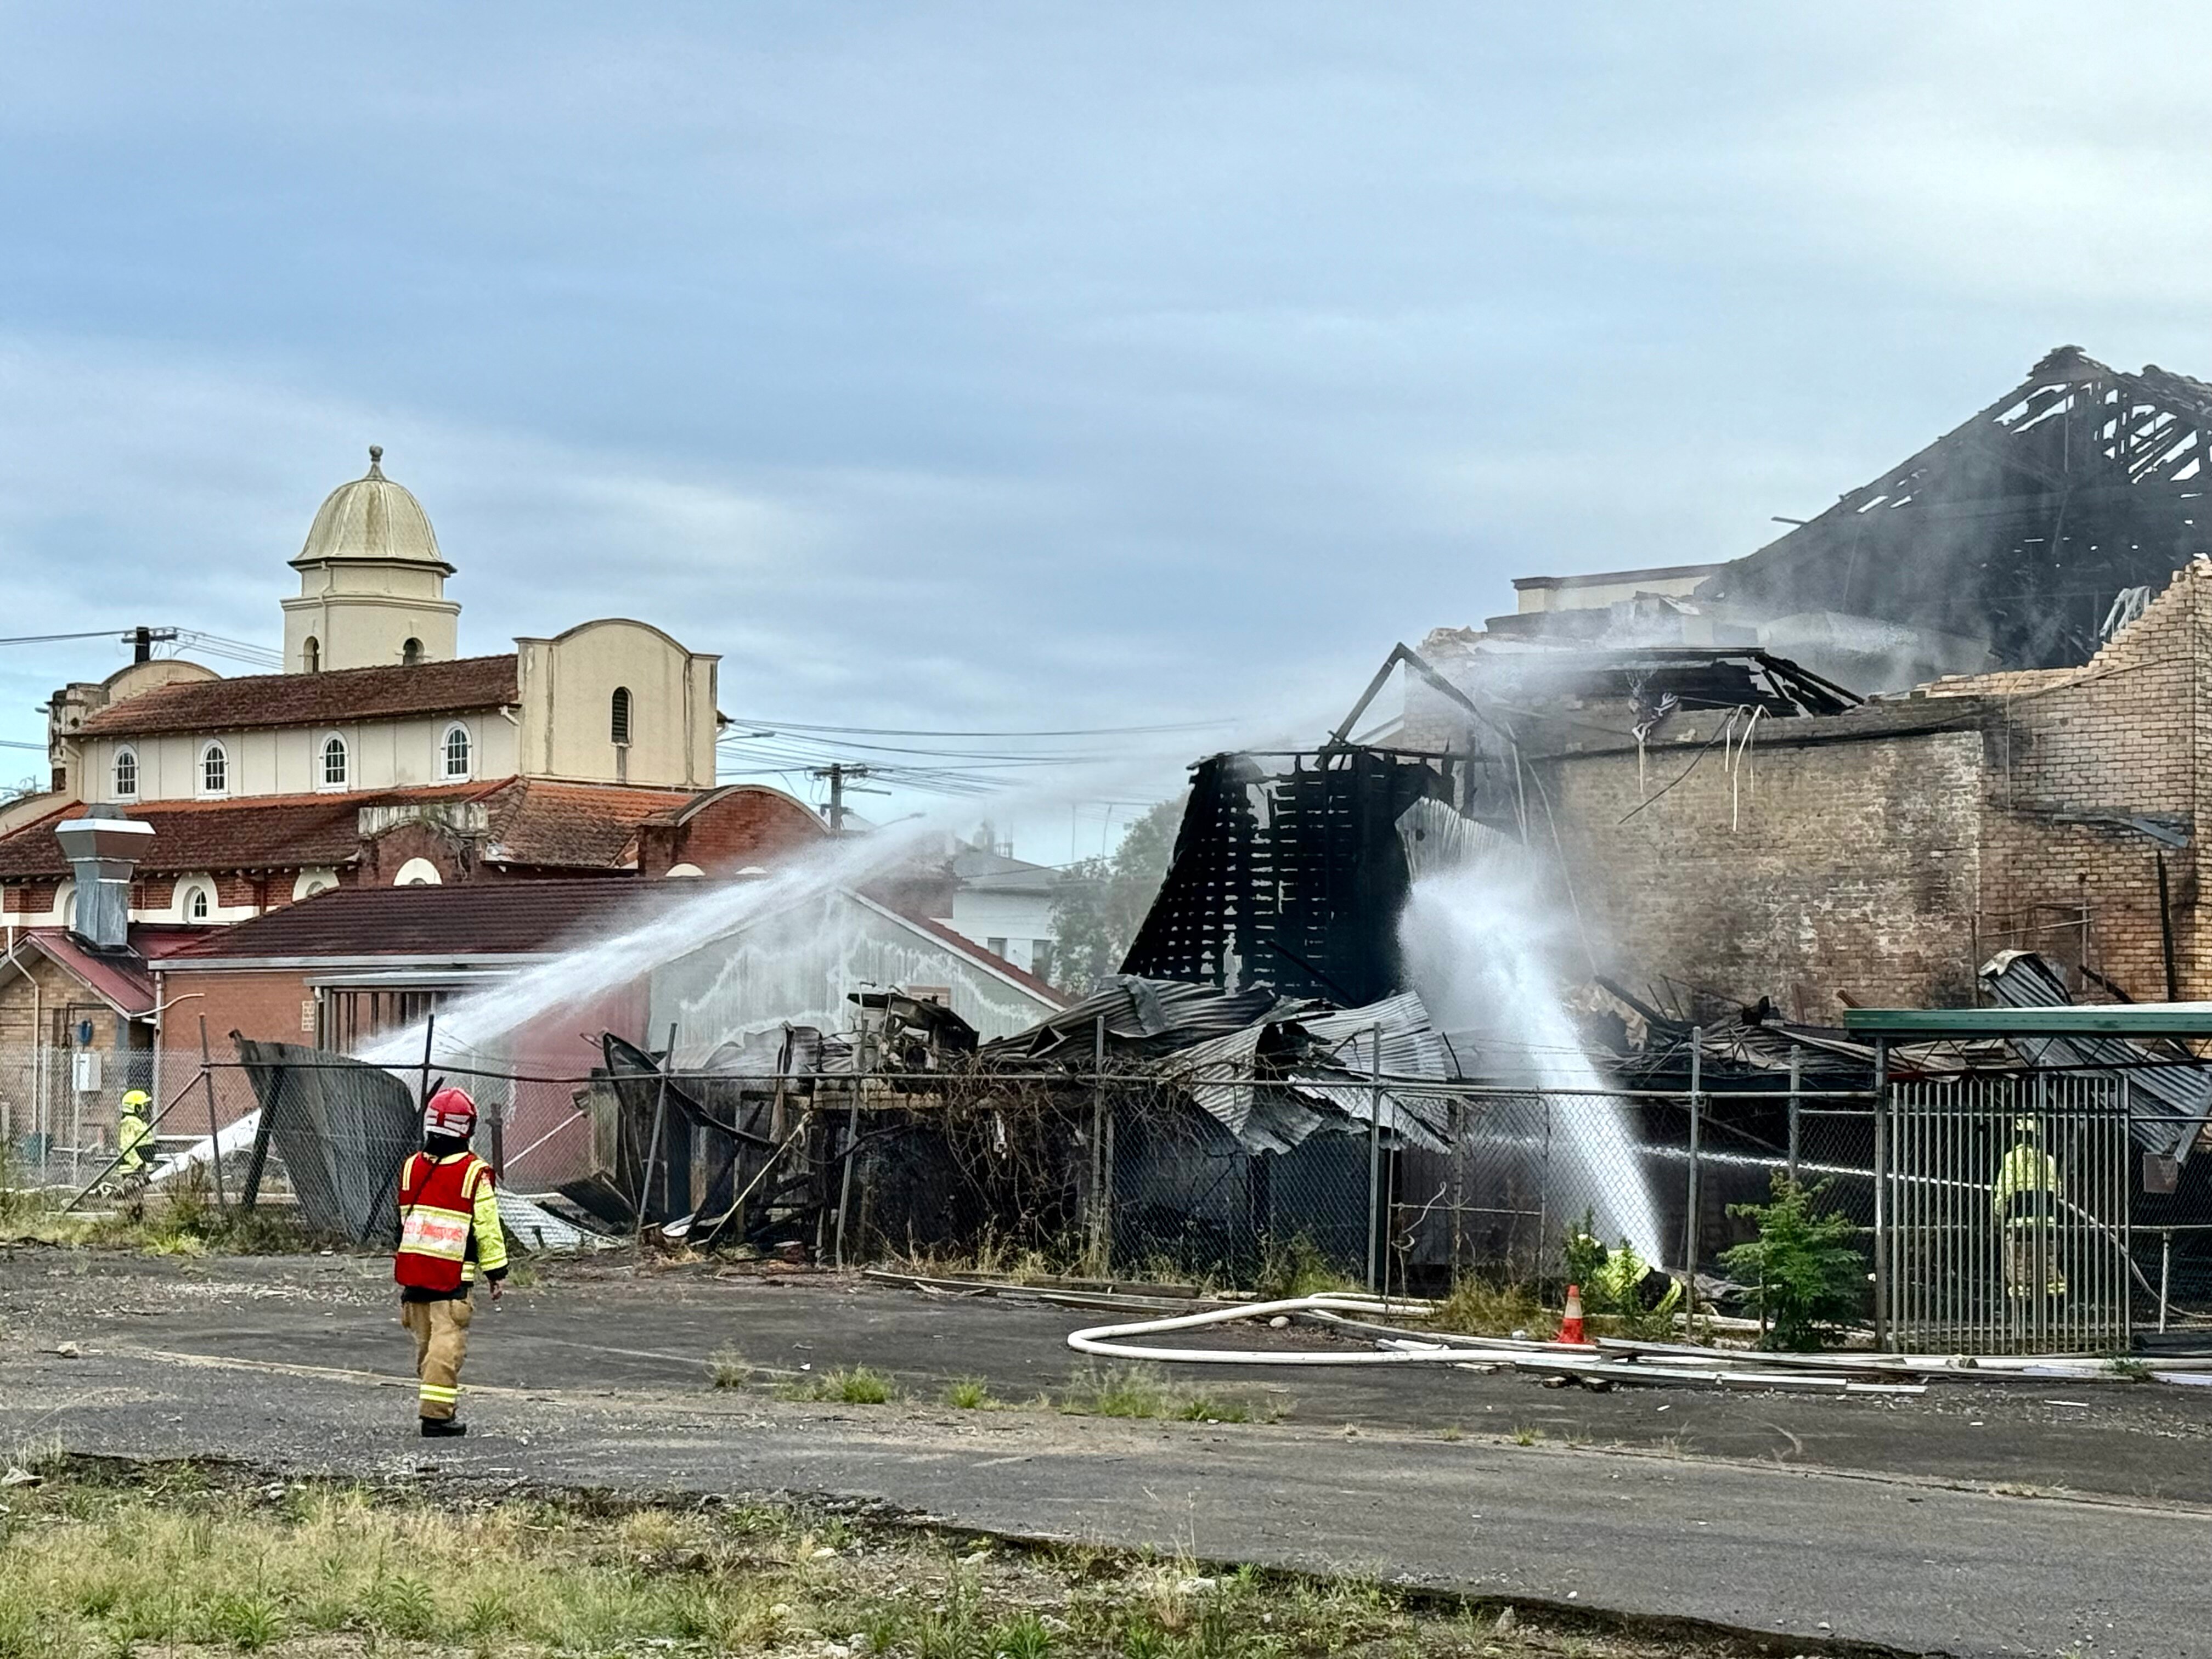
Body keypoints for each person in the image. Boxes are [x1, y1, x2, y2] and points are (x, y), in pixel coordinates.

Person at [394, 1086, 507, 1437]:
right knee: (447, 1345)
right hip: (450, 1279)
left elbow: (403, 1221)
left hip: (414, 1276)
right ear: (467, 1128)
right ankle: (438, 1416)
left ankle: (436, 1407)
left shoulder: (412, 1166)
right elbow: (487, 1227)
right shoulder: (475, 1173)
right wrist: (496, 1271)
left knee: (427, 1347)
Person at [1993, 1115, 2066, 1302]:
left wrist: (1998, 1215)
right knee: (2049, 1258)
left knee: (2019, 1259)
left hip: (2020, 1219)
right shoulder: (2048, 1160)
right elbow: (2057, 1192)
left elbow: (2004, 1191)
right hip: (2047, 1219)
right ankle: (2054, 1291)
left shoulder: (2011, 1159)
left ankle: (2021, 1292)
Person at [115, 1089, 153, 1187]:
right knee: (134, 1196)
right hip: (132, 1169)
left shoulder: (139, 1122)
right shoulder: (129, 1123)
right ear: (135, 1107)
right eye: (143, 1106)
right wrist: (139, 1164)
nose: (145, 1109)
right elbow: (127, 1147)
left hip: (141, 1168)